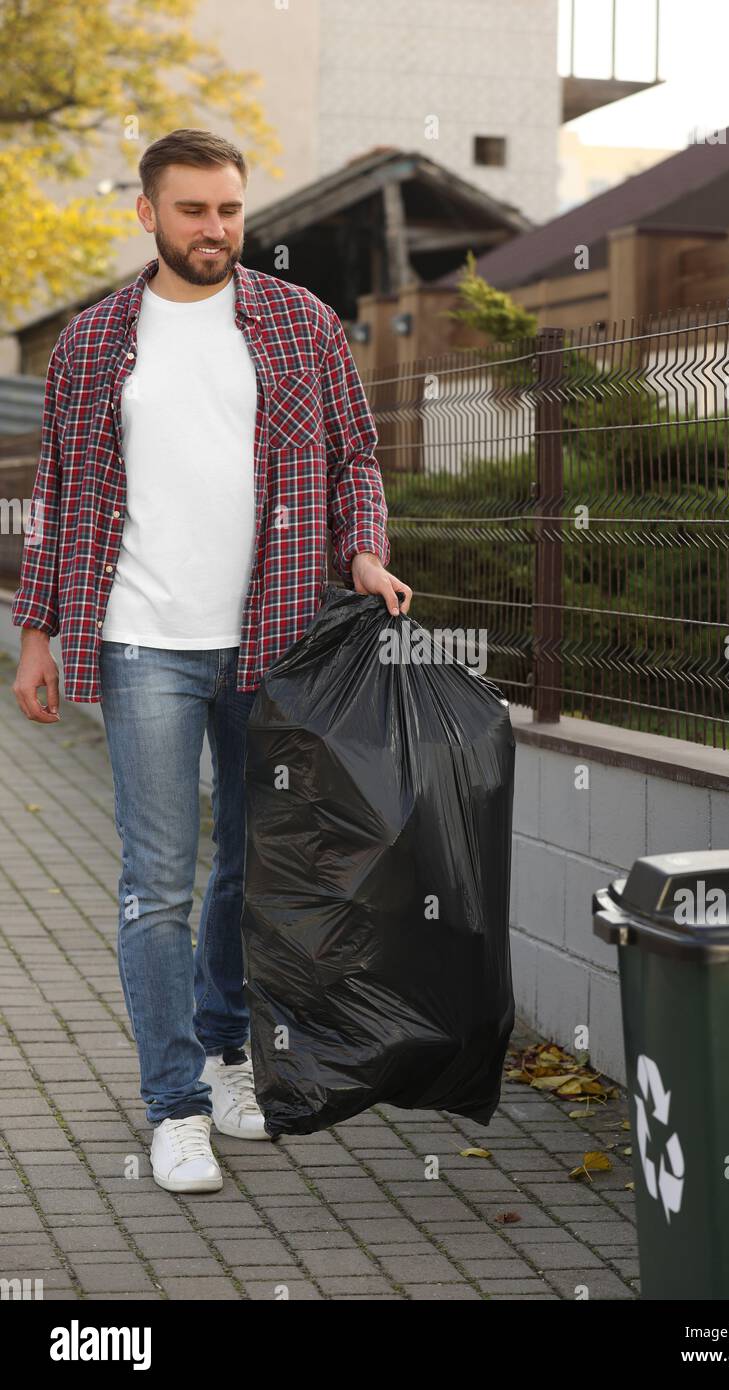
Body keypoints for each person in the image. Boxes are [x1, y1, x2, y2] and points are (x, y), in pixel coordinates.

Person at [11, 128, 413, 1195]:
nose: (215, 229)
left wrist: (363, 551)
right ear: (147, 213)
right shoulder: (95, 342)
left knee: (247, 868)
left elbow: (354, 452)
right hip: (143, 637)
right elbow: (59, 493)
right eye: (192, 209)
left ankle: (229, 1051)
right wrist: (39, 630)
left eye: (229, 209)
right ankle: (174, 1103)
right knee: (155, 885)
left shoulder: (297, 322)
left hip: (270, 635)